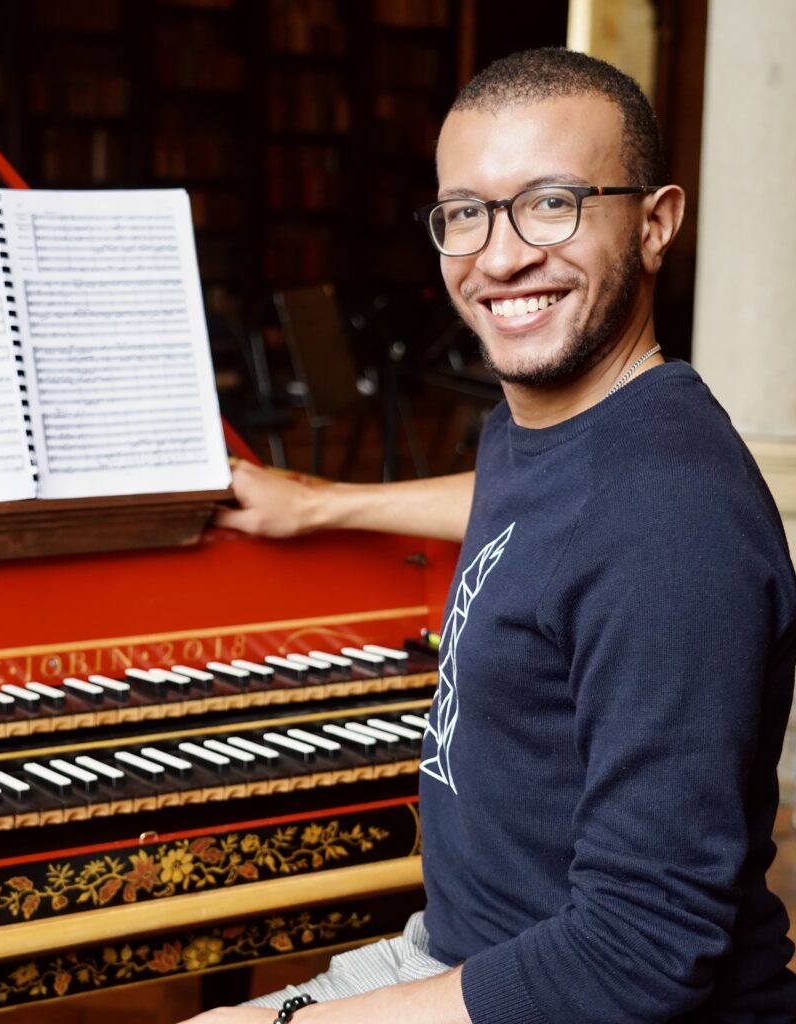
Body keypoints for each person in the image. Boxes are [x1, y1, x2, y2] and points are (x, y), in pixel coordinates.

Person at [179, 48, 796, 1024]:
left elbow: (638, 957)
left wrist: (285, 1022)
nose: (500, 255)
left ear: (654, 222)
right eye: (465, 211)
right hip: (464, 945)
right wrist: (321, 503)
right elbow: (528, 507)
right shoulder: (560, 420)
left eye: (550, 202)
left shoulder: (672, 527)